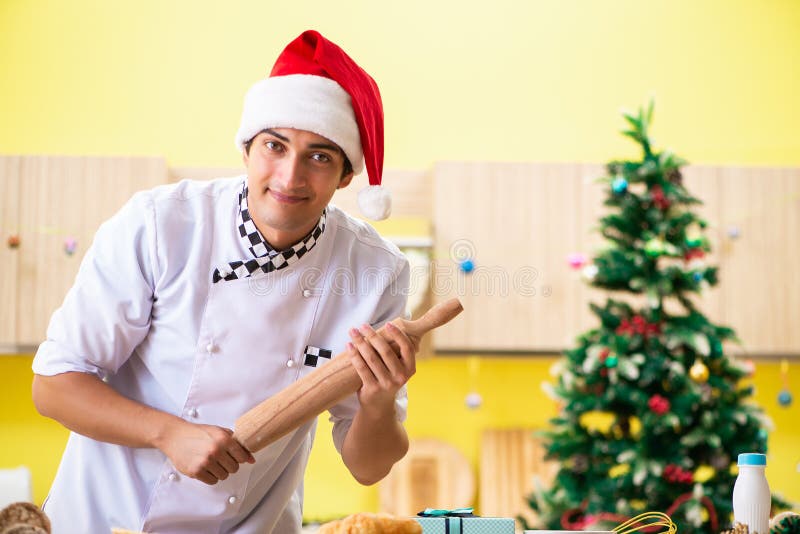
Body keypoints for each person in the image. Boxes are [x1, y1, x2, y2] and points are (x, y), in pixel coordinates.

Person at [31, 30, 416, 534]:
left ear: (345, 176)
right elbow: (54, 387)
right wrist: (169, 434)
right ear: (246, 148)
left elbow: (369, 466)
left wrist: (379, 399)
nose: (289, 176)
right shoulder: (160, 225)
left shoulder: (373, 271)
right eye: (274, 146)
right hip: (109, 519)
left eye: (319, 156)